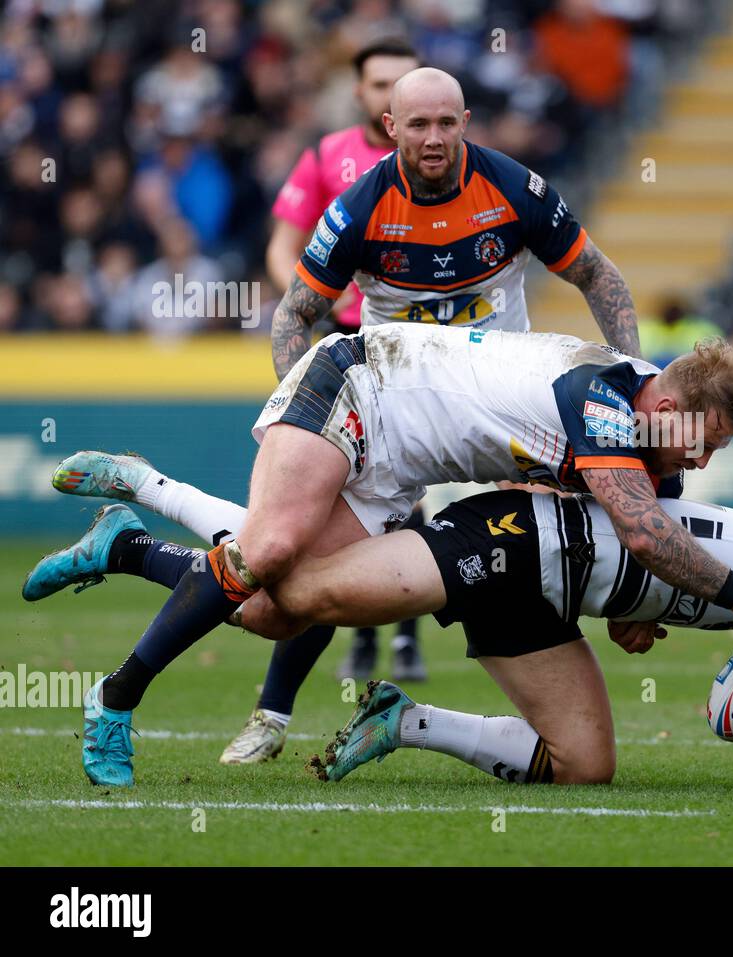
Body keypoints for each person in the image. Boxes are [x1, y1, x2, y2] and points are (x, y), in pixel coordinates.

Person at [34, 327, 733, 787]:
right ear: (668, 410)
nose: (704, 463)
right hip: (365, 380)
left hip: (402, 468)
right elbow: (644, 534)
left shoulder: (654, 444)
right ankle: (116, 698)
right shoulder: (600, 397)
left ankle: (125, 539)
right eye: (706, 442)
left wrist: (631, 614)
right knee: (266, 549)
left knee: (274, 608)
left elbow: (623, 545)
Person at [27, 484, 733, 791]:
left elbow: (707, 557)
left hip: (562, 581)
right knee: (293, 596)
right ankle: (141, 521)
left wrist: (652, 606)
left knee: (586, 764)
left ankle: (403, 719)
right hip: (519, 542)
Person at [248, 62, 647, 764]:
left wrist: (634, 381)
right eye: (419, 124)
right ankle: (272, 710)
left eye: (447, 122)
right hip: (399, 421)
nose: (434, 137)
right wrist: (307, 419)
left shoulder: (516, 190)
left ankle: (622, 620)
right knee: (303, 555)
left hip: (508, 413)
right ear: (389, 129)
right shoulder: (358, 208)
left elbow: (601, 276)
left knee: (582, 512)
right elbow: (295, 314)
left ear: (466, 124)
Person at [264, 37, 428, 704]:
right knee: (340, 491)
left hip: (415, 347)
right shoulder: (329, 157)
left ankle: (405, 627)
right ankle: (358, 629)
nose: (392, 93)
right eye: (380, 82)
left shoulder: (436, 159)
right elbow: (284, 244)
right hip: (344, 339)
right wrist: (311, 299)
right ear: (359, 93)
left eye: (404, 83)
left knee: (409, 484)